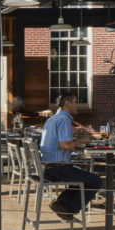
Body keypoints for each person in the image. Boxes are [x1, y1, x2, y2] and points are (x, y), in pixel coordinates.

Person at [38, 92, 103, 221]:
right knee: (96, 181)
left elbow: (60, 140)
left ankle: (61, 202)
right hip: (58, 169)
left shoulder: (52, 119)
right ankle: (69, 210)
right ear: (67, 103)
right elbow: (65, 146)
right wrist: (81, 141)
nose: (77, 105)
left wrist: (73, 134)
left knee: (82, 177)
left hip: (47, 168)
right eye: (75, 102)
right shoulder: (64, 119)